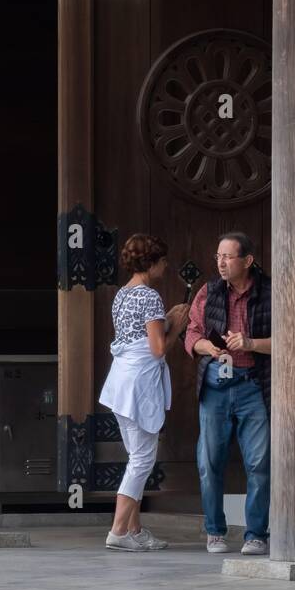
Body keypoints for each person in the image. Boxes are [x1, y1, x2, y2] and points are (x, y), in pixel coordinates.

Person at [98, 234, 190, 551]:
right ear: (151, 263)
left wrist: (168, 324)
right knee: (141, 460)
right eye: (162, 261)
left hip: (121, 380)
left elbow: (138, 339)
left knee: (135, 457)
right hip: (139, 383)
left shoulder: (122, 295)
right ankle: (119, 531)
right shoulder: (149, 297)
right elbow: (157, 348)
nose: (165, 267)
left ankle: (135, 529)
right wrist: (177, 324)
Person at [184, 232, 272, 555]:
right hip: (216, 385)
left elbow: (289, 338)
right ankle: (215, 531)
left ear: (247, 261)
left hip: (253, 383)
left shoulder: (270, 292)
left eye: (228, 257)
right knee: (208, 462)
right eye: (218, 256)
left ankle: (256, 534)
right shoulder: (208, 291)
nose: (221, 263)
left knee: (260, 463)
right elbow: (191, 332)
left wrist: (249, 344)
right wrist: (207, 347)